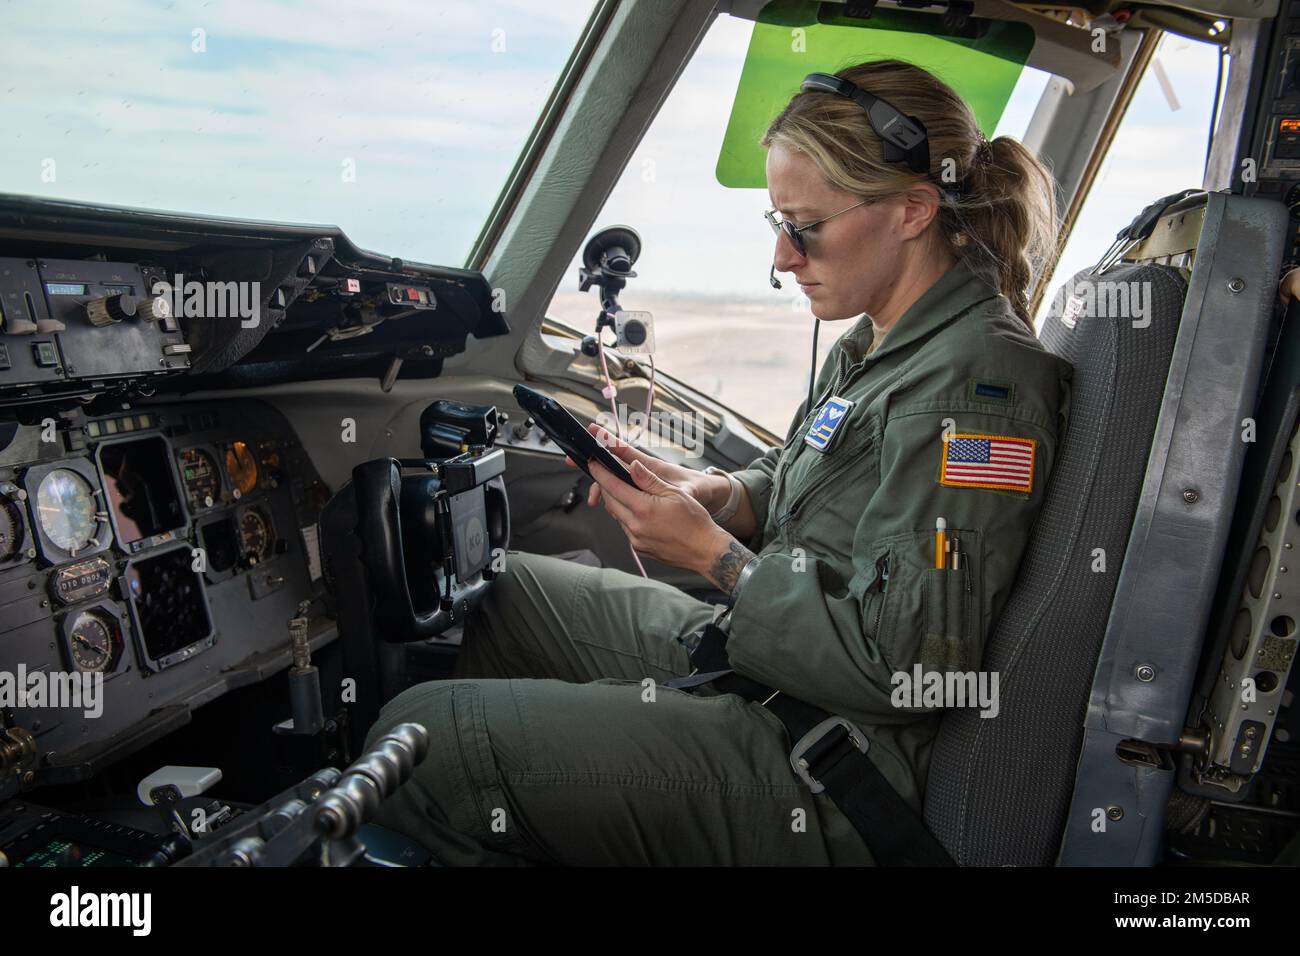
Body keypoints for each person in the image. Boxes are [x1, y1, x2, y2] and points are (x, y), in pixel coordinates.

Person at [362, 58, 1073, 865]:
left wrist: (715, 558)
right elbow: (809, 487)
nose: (781, 256)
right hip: (783, 667)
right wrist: (719, 494)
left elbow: (906, 670)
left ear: (913, 209)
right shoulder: (885, 338)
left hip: (838, 760)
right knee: (507, 590)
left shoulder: (975, 389)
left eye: (805, 227)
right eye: (777, 220)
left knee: (426, 740)